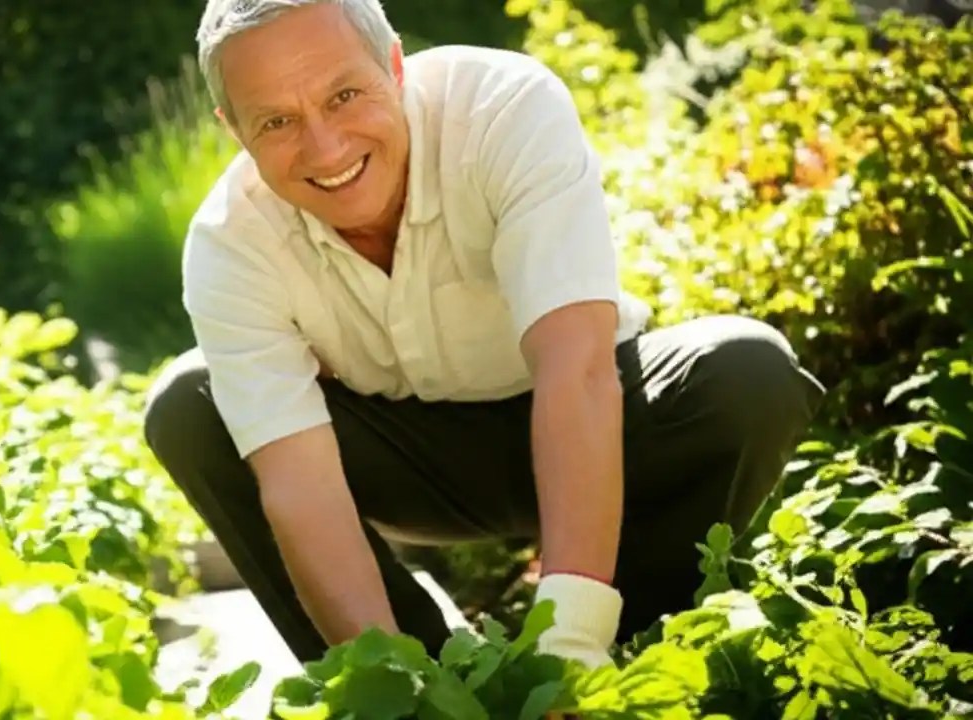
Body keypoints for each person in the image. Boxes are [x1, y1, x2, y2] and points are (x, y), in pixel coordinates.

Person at [143, 0, 826, 674]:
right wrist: (402, 686)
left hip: (597, 422)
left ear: (395, 65)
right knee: (188, 407)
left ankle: (632, 650)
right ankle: (417, 678)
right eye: (277, 121)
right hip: (413, 463)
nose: (326, 147)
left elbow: (577, 364)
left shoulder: (504, 109)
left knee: (748, 371)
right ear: (234, 130)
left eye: (345, 94)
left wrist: (570, 639)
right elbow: (300, 486)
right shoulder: (231, 244)